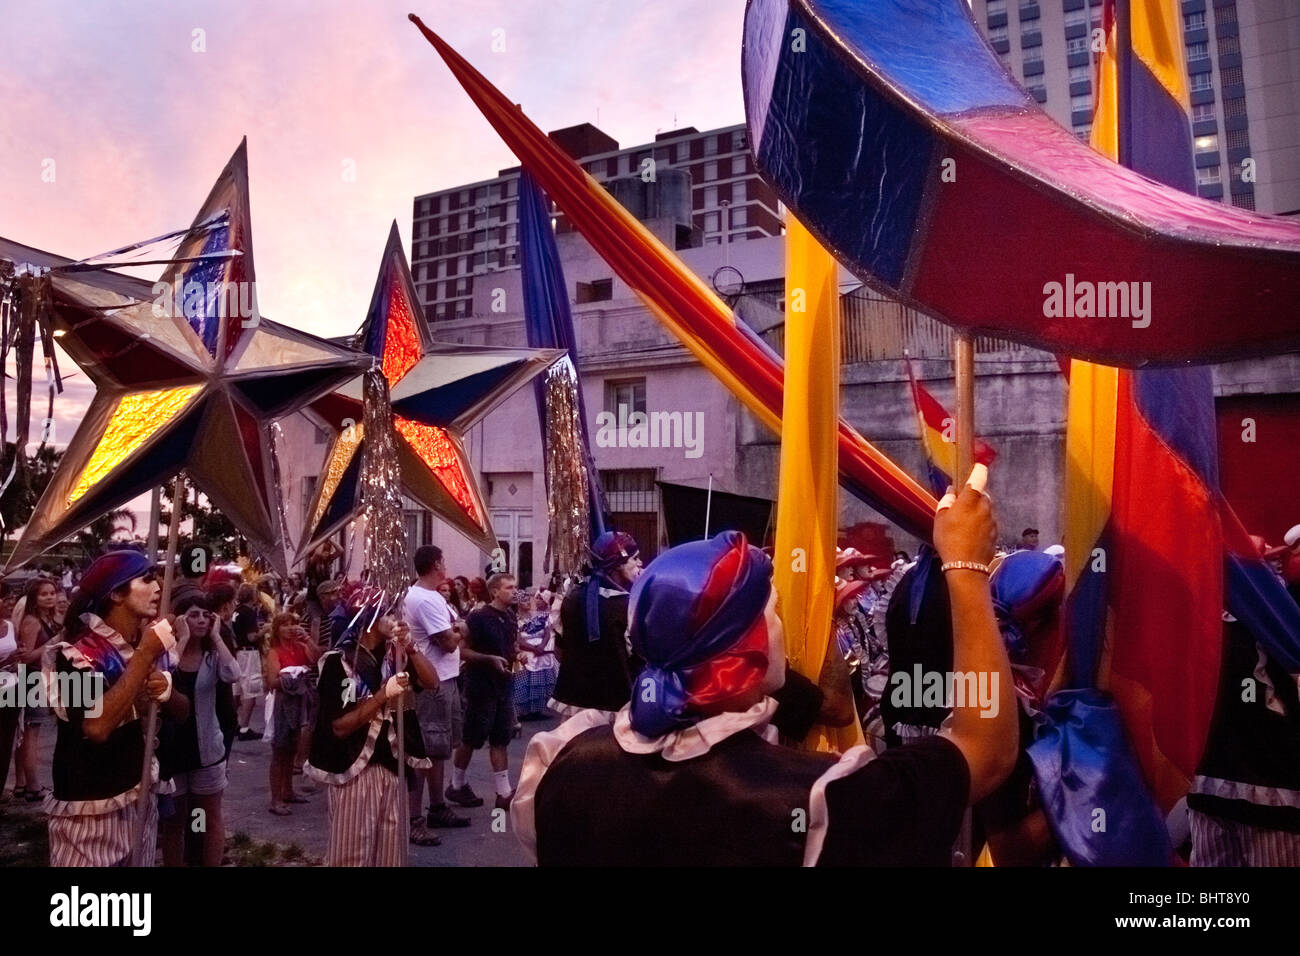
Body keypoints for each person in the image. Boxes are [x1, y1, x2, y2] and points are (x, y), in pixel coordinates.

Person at [512, 470, 1016, 865]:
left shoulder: (560, 764)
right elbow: (986, 750)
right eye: (774, 610)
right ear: (750, 647)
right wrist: (967, 568)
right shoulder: (820, 798)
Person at [43, 550, 190, 866]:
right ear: (115, 593)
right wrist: (143, 657)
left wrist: (168, 693)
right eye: (147, 578)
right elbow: (95, 727)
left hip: (140, 797)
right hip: (89, 811)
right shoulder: (72, 654)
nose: (159, 587)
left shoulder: (152, 643)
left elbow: (182, 712)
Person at [307, 608, 437, 865]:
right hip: (355, 768)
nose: (396, 621)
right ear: (367, 621)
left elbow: (432, 682)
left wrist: (411, 647)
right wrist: (382, 695)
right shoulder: (340, 661)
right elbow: (340, 727)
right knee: (350, 854)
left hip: (393, 765)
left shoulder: (396, 655)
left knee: (391, 854)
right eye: (388, 615)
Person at [159, 594, 240, 866]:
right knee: (175, 820)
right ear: (181, 619)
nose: (202, 620)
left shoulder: (212, 656)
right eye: (194, 615)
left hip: (207, 748)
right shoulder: (168, 653)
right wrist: (180, 639)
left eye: (207, 615)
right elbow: (163, 673)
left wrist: (217, 637)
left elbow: (233, 674)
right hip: (173, 749)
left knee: (210, 816)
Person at [403, 545, 471, 831]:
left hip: (442, 677)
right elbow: (447, 641)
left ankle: (437, 806)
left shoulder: (426, 595)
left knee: (438, 748)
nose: (446, 564)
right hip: (434, 682)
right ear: (434, 565)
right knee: (427, 748)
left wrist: (455, 629)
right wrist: (459, 630)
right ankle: (416, 817)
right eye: (443, 560)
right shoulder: (426, 600)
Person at [551, 531, 643, 713]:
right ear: (617, 564)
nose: (640, 564)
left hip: (575, 699)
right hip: (615, 704)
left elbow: (559, 650)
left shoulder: (570, 597)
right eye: (635, 558)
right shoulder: (628, 606)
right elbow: (640, 659)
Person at [451, 573, 520, 811]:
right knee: (471, 737)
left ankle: (503, 793)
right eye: (509, 587)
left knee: (501, 738)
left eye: (515, 587)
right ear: (494, 592)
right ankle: (456, 784)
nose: (514, 591)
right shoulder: (479, 617)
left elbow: (511, 646)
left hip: (503, 685)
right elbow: (461, 651)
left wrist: (516, 654)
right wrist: (488, 659)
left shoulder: (511, 616)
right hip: (480, 686)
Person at [262, 612, 320, 815]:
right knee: (279, 750)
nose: (289, 628)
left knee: (292, 748)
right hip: (283, 703)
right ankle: (275, 799)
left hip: (300, 702)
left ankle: (288, 790)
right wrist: (292, 677)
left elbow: (315, 659)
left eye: (292, 624)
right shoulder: (274, 652)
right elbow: (272, 681)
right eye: (284, 625)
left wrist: (307, 638)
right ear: (277, 629)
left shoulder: (300, 647)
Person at [14, 578, 64, 800]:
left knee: (32, 732)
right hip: (32, 678)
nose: (50, 597)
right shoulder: (32, 622)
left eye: (52, 593)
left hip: (43, 678)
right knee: (31, 733)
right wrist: (53, 642)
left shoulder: (48, 619)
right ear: (35, 597)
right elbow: (26, 658)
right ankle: (33, 786)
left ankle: (24, 783)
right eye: (44, 594)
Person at [515, 589, 559, 721]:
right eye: (523, 600)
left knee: (541, 682)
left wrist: (542, 646)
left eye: (528, 599)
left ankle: (538, 710)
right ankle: (523, 712)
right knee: (524, 683)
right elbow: (518, 639)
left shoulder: (541, 616)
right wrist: (533, 648)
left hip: (542, 650)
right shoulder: (516, 619)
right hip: (527, 652)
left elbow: (546, 632)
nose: (527, 602)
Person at [230, 584, 265, 741]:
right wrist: (265, 629)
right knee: (251, 688)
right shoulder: (249, 612)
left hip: (237, 652)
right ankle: (244, 728)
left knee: (236, 690)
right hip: (249, 653)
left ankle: (234, 723)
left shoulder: (236, 611)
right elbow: (252, 637)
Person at [0, 585, 20, 798]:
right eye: (4, 599)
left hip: (10, 690)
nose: (7, 603)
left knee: (5, 745)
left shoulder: (10, 626)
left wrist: (15, 662)